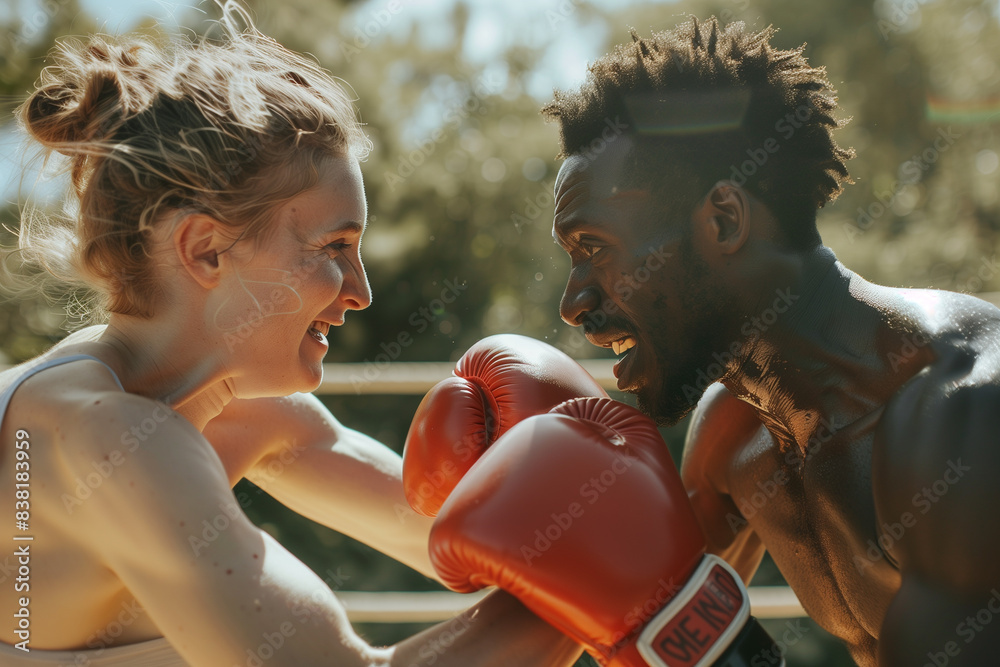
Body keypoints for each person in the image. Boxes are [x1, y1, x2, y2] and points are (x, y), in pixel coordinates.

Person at [0, 3, 582, 665]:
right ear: (206, 250)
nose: (360, 290)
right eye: (333, 246)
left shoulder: (234, 405)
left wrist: (610, 528)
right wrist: (620, 581)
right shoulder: (104, 436)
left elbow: (471, 545)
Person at [536, 16, 1000, 667]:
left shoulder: (960, 416)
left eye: (596, 249)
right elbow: (641, 626)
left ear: (723, 219)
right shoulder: (734, 433)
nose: (574, 301)